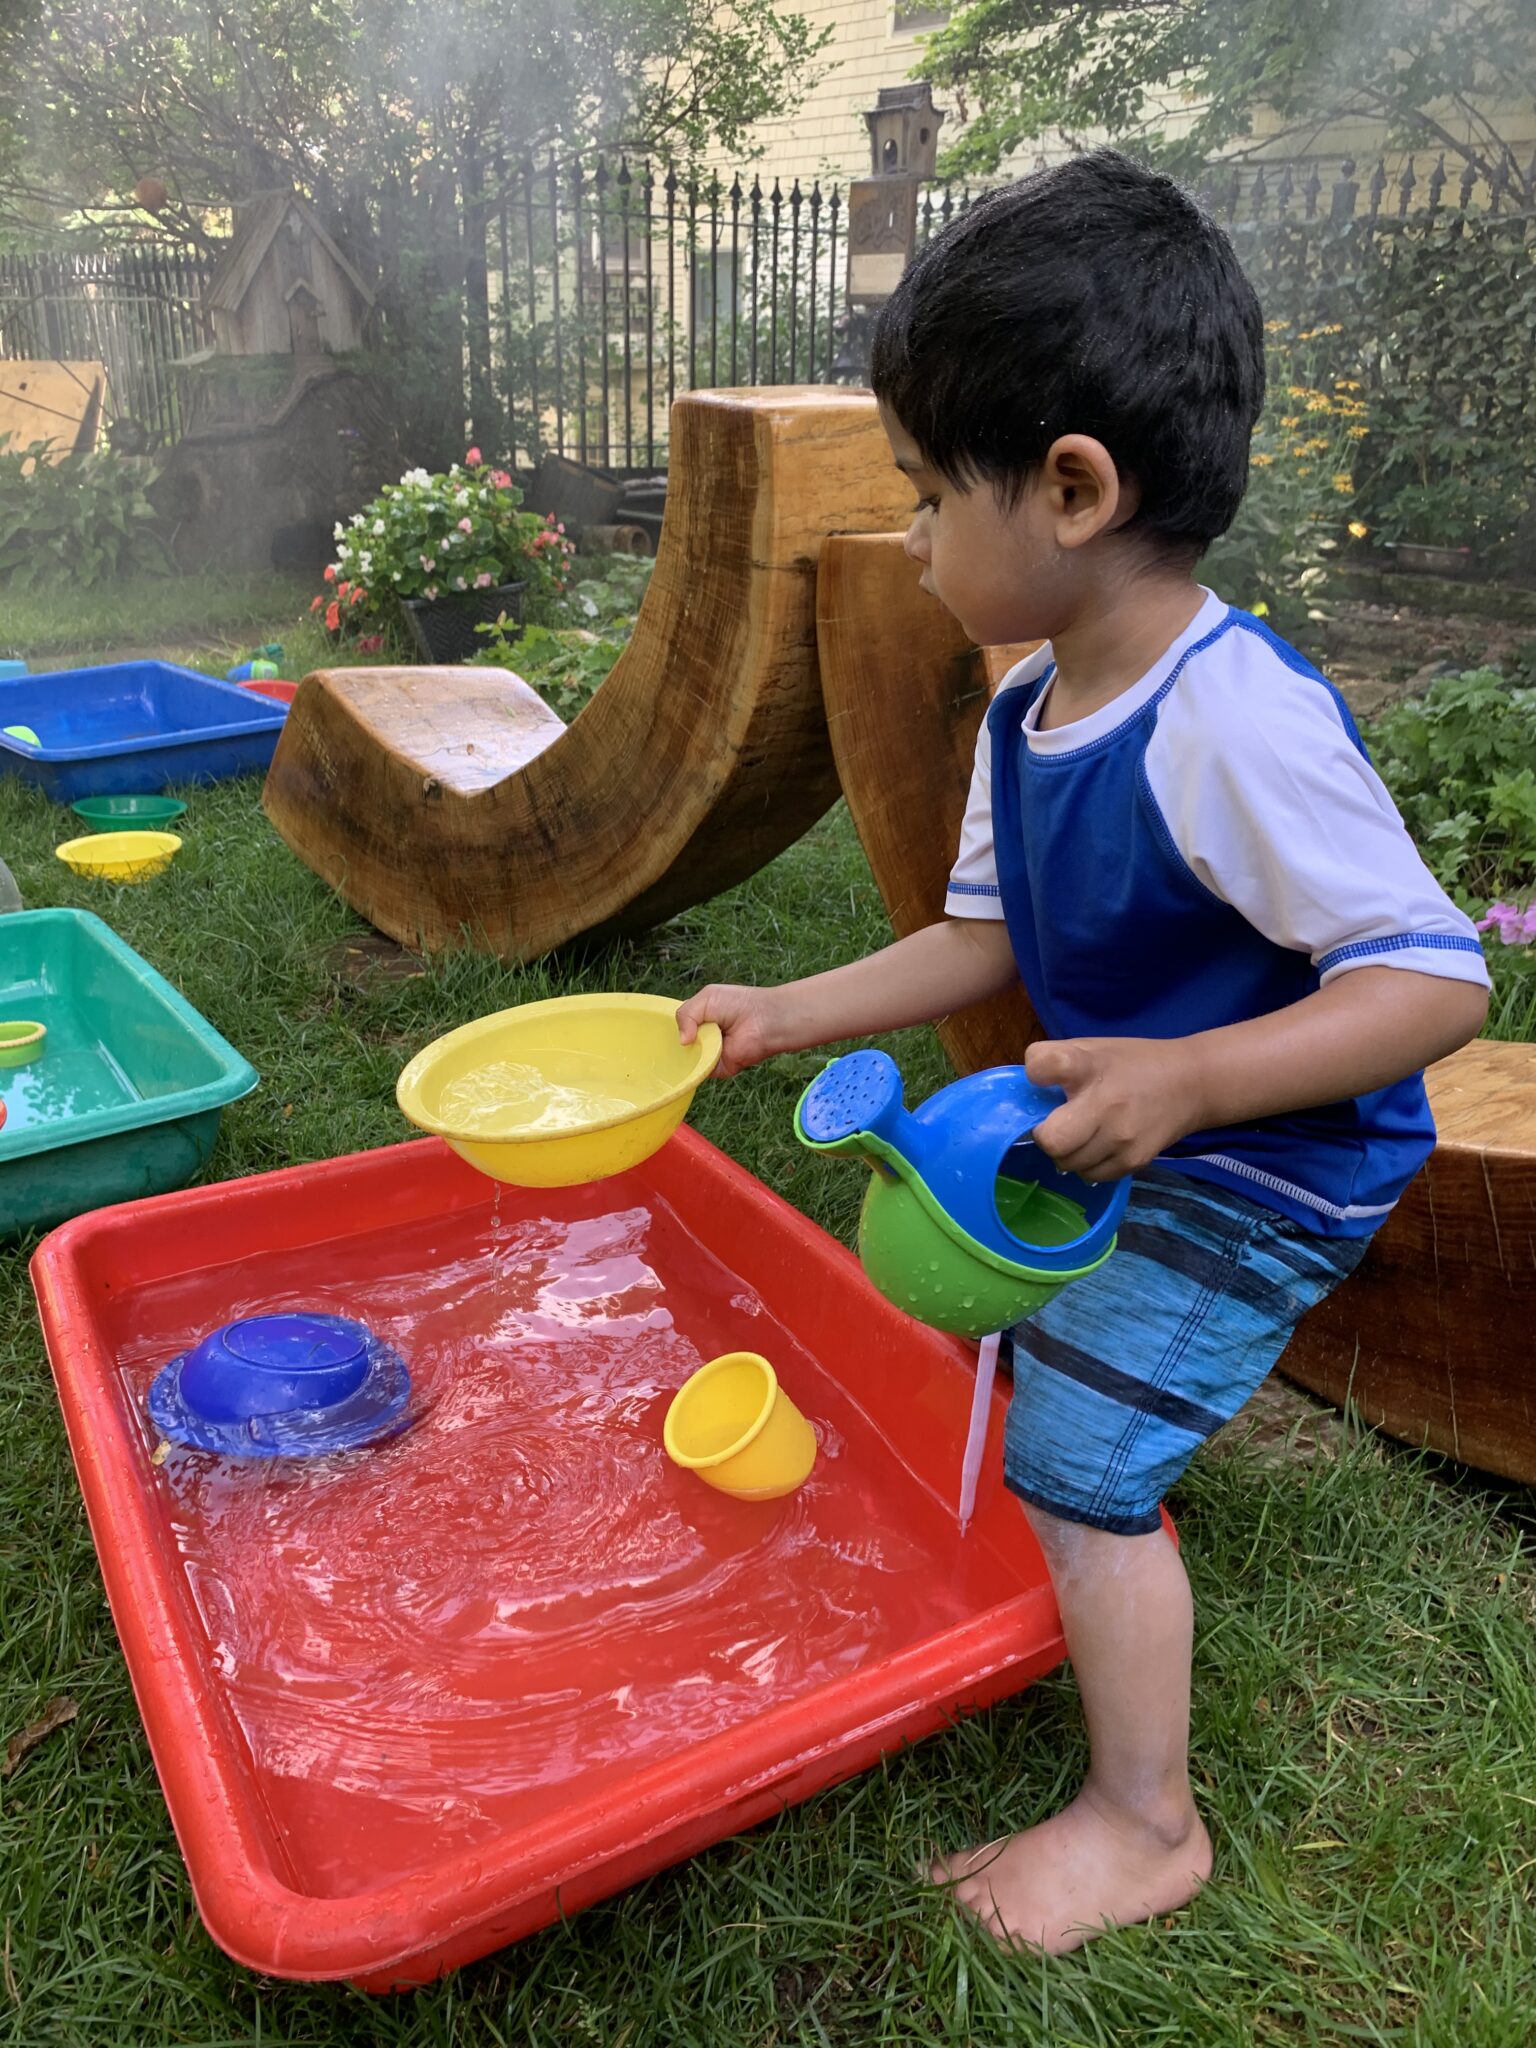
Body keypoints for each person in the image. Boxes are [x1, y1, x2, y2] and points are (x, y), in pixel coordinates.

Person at [676, 150, 1489, 1954]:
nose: (905, 539)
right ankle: (1066, 1486)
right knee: (1015, 1340)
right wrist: (789, 1009)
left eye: (920, 495)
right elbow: (980, 939)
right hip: (1146, 1127)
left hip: (1269, 1166)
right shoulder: (1032, 705)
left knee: (1080, 1462)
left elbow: (1437, 979)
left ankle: (1145, 1820)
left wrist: (1192, 1085)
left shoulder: (1235, 722)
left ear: (1068, 488)